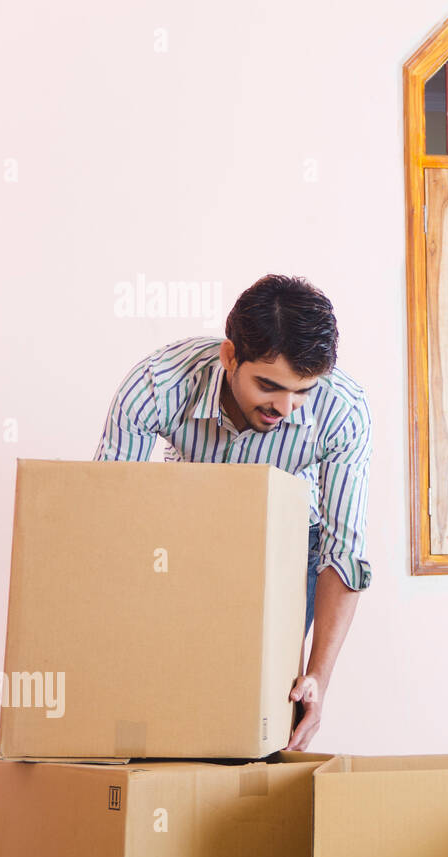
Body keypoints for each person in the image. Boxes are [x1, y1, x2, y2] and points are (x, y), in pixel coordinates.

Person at [93, 274, 373, 751]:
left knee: (259, 708)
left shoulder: (343, 411)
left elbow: (343, 554)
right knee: (170, 692)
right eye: (269, 385)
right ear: (229, 357)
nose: (285, 407)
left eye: (302, 390)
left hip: (290, 547)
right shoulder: (159, 384)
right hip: (182, 534)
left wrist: (317, 679)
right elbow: (114, 516)